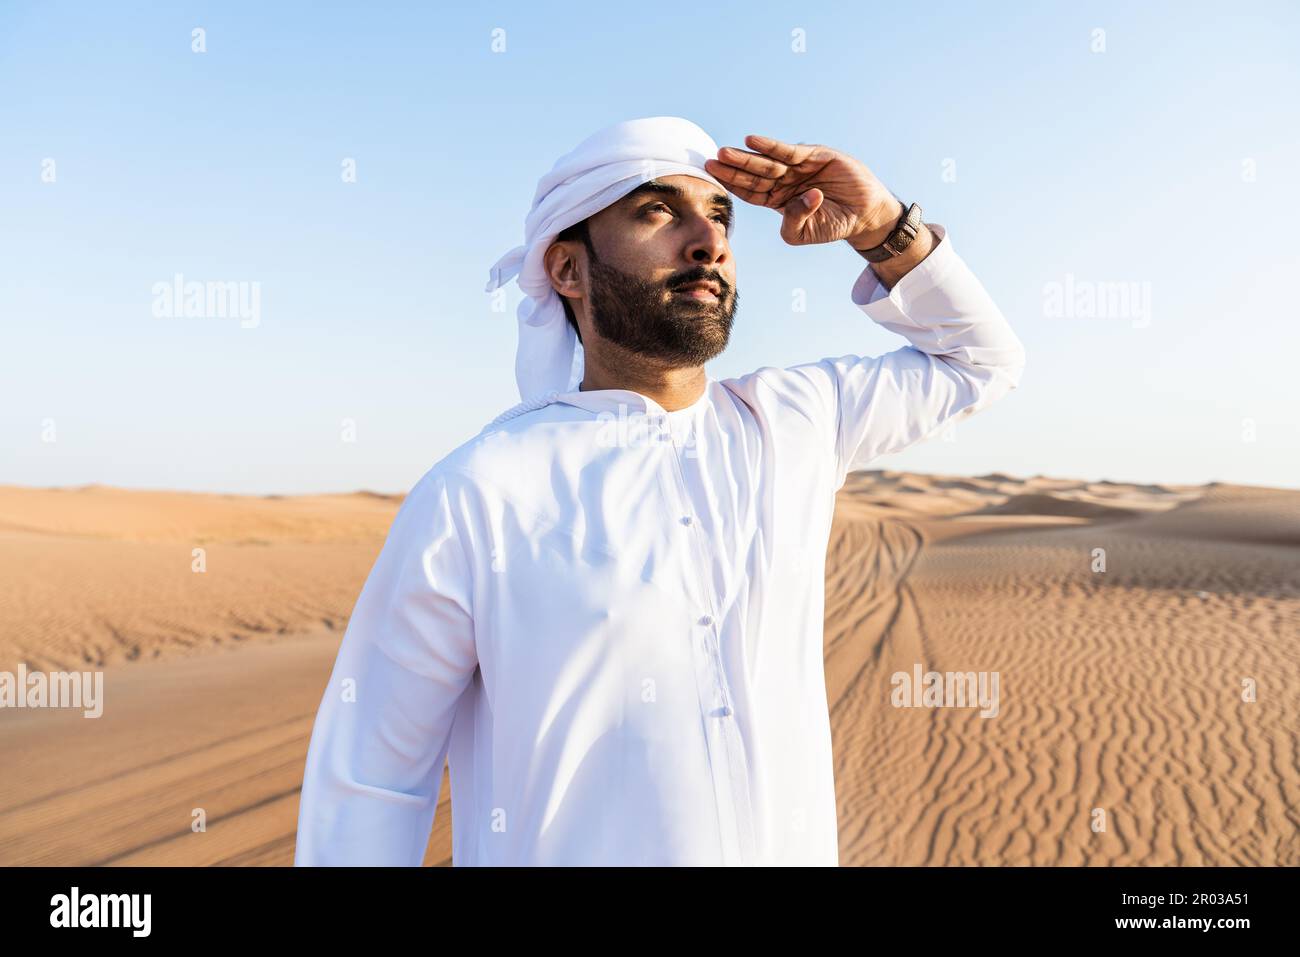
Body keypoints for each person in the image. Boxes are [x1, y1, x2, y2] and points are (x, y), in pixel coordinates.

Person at [293, 115, 1026, 866]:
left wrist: (879, 225)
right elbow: (369, 784)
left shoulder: (794, 423)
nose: (707, 241)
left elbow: (982, 361)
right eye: (656, 211)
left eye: (717, 216)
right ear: (568, 271)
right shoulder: (478, 493)